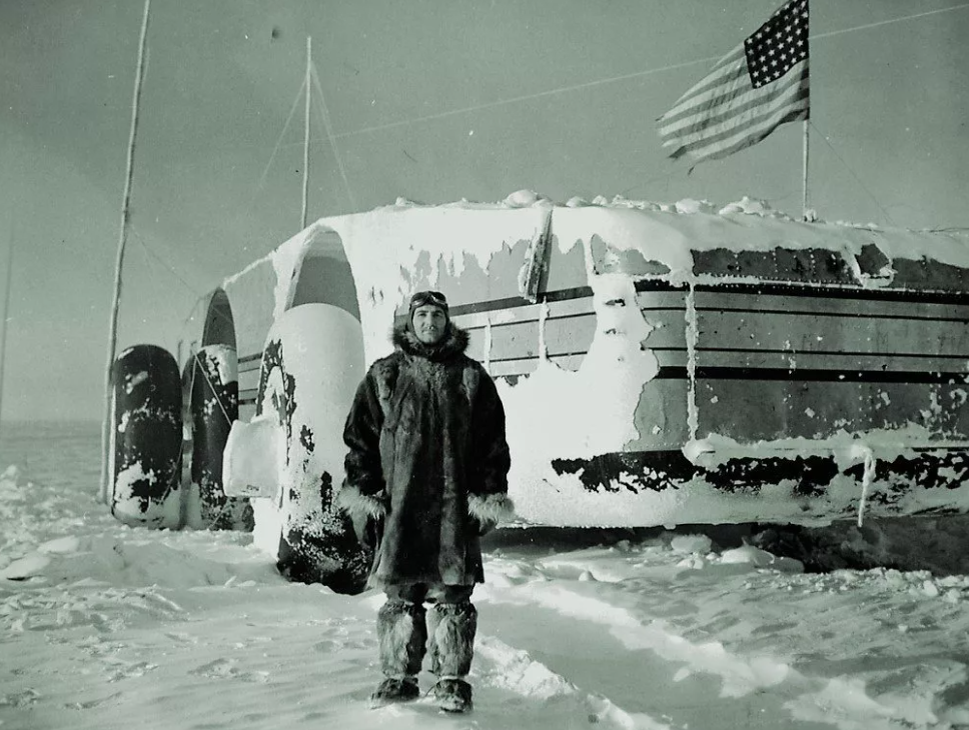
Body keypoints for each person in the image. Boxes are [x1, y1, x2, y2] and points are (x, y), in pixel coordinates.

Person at [335, 289, 514, 713]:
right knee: (400, 595)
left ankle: (452, 681)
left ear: (447, 321)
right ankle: (398, 678)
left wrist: (486, 497)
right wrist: (366, 495)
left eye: (437, 315)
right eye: (422, 316)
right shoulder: (384, 376)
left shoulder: (472, 378)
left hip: (452, 511)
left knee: (454, 595)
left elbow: (493, 442)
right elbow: (359, 440)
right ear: (409, 323)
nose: (429, 323)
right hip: (401, 510)